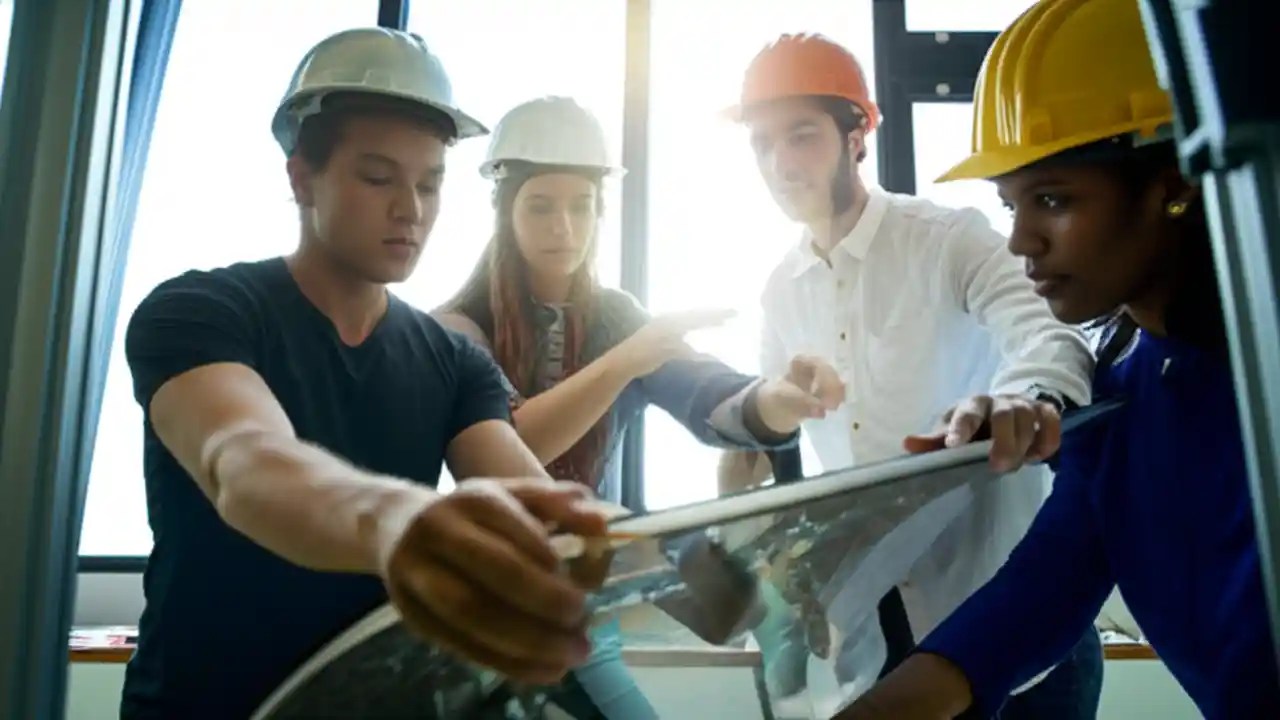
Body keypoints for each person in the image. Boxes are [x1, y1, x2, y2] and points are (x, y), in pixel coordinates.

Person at [119, 30, 611, 719]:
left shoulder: (453, 360)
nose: (410, 209)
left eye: (430, 184)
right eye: (378, 178)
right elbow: (244, 463)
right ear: (301, 178)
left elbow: (527, 499)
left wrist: (629, 550)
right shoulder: (201, 313)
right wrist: (395, 517)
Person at [834, 0, 1280, 718]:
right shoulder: (1121, 400)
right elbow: (1032, 601)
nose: (1021, 242)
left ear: (1173, 186)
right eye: (1012, 205)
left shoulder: (1260, 376)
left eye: (1052, 198)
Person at [716, 31, 1101, 718]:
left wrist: (1023, 399)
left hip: (1016, 614)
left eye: (801, 135)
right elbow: (773, 454)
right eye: (761, 143)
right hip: (881, 633)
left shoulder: (950, 239)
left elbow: (1051, 332)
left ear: (857, 134)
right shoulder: (780, 291)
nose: (780, 162)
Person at [433, 95, 846, 718]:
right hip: (493, 599)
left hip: (590, 594)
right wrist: (629, 357)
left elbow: (705, 392)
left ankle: (767, 623)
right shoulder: (455, 330)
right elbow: (508, 447)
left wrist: (774, 400)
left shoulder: (618, 318)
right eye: (540, 205)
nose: (563, 228)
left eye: (581, 206)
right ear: (504, 212)